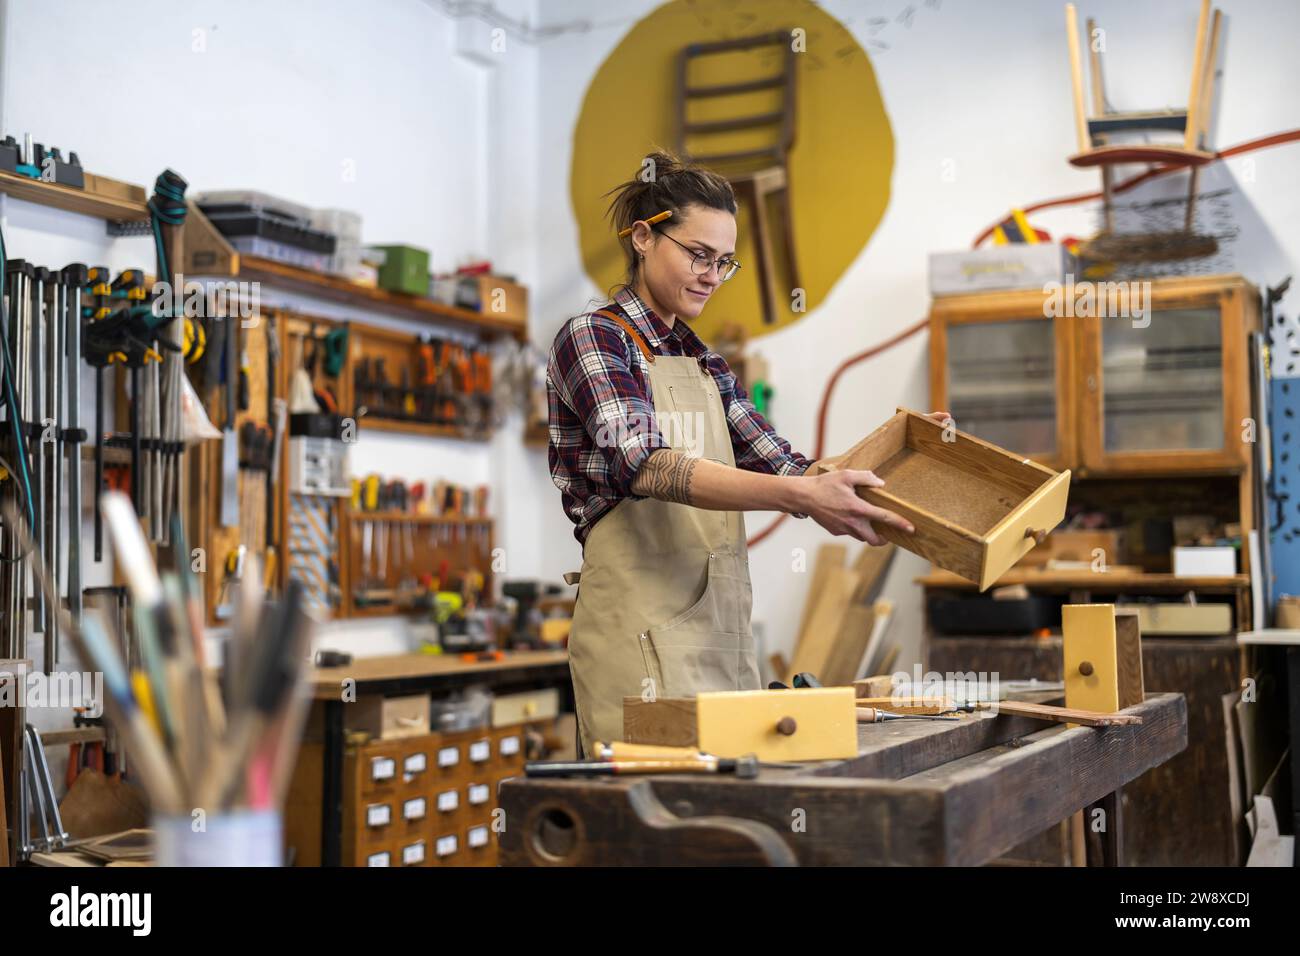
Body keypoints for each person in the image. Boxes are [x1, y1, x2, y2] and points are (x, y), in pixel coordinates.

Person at [547, 150, 938, 756]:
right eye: (698, 255)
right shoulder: (593, 336)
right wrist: (803, 496)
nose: (710, 274)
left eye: (723, 263)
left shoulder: (704, 362)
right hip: (637, 639)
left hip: (720, 639)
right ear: (645, 238)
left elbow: (789, 465)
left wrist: (902, 458)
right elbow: (644, 463)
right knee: (653, 829)